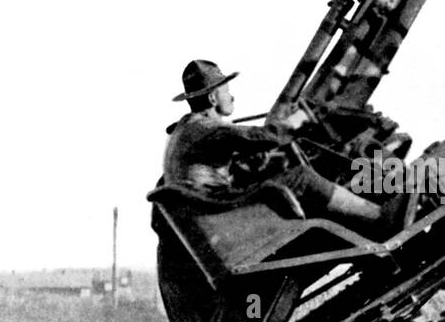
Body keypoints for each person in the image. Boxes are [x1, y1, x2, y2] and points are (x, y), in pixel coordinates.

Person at [162, 59, 388, 228]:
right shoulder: (205, 128)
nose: (231, 97)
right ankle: (380, 219)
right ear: (212, 98)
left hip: (210, 210)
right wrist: (298, 120)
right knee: (301, 178)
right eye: (226, 91)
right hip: (220, 209)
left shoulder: (185, 130)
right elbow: (263, 137)